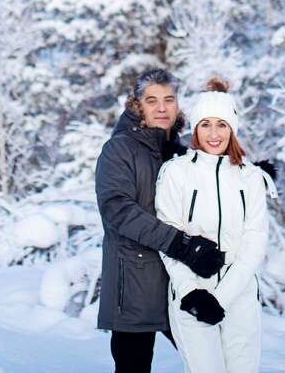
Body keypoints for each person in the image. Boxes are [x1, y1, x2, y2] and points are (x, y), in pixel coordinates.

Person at [96, 68, 227, 373]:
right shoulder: (119, 149)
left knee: (212, 363)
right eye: (152, 100)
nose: (162, 107)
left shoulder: (183, 154)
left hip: (180, 281)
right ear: (137, 105)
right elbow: (118, 210)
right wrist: (180, 244)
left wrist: (250, 177)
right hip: (134, 283)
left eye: (169, 99)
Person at [155, 76, 272, 373]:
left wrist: (222, 297)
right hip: (190, 294)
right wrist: (191, 292)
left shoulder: (251, 177)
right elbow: (167, 236)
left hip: (240, 293)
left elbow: (255, 240)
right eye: (205, 124)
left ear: (232, 128)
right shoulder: (176, 173)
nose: (214, 134)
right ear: (195, 128)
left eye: (221, 124)